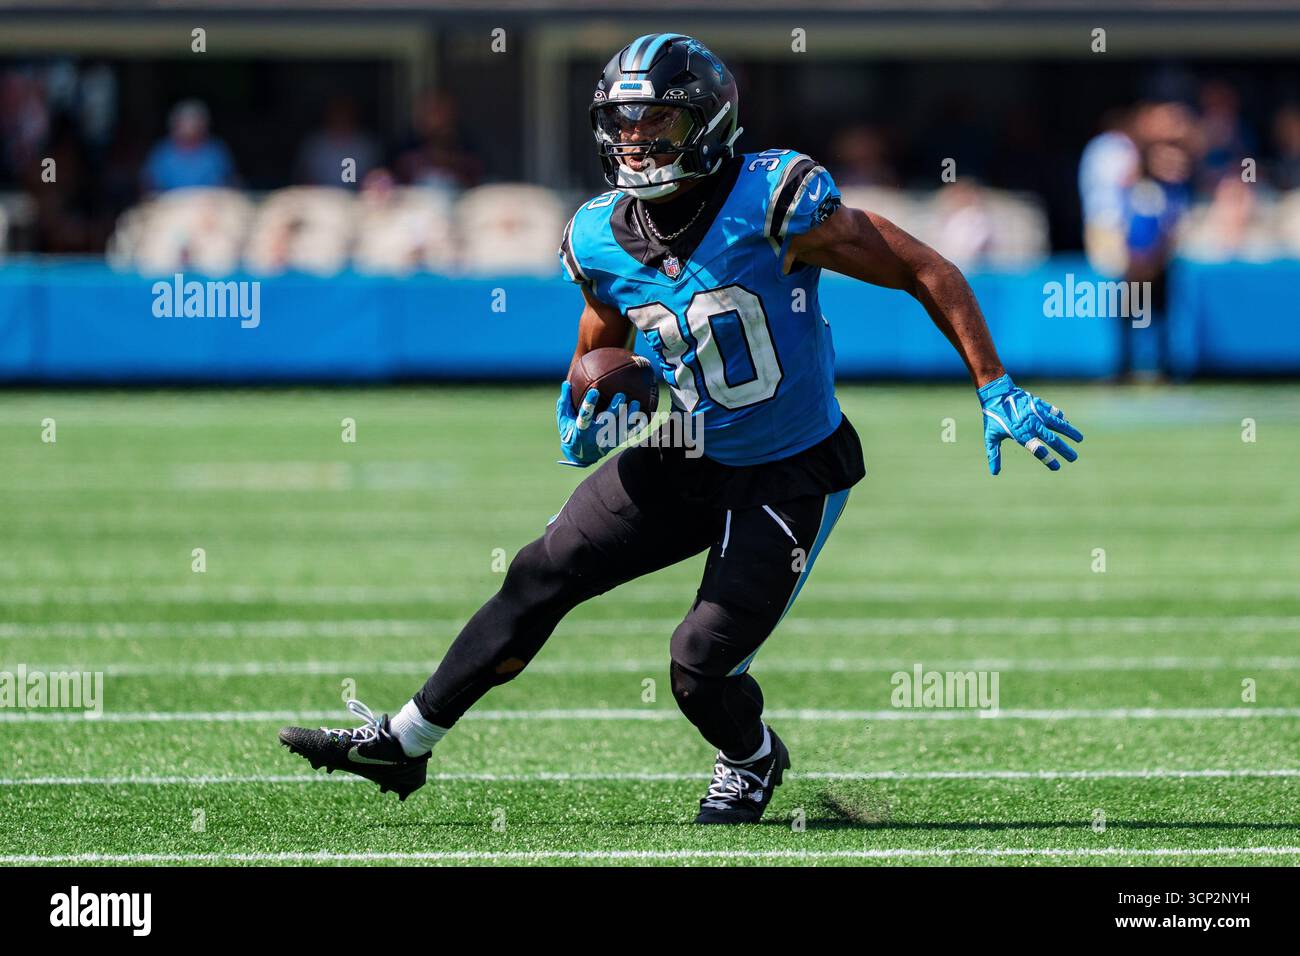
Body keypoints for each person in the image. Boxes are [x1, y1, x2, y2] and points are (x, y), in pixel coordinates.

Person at [279, 35, 1083, 825]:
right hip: (688, 445)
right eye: (622, 123)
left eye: (655, 121)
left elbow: (923, 268)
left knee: (698, 670)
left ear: (707, 121)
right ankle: (405, 741)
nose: (635, 140)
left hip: (789, 465)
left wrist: (994, 382)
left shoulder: (775, 199)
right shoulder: (598, 232)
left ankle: (752, 758)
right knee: (539, 574)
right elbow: (601, 336)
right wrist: (581, 411)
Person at [140, 99, 236, 193]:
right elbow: (149, 184)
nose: (190, 128)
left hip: (209, 205)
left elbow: (228, 181)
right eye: (185, 123)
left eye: (196, 123)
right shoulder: (162, 152)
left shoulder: (215, 150)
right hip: (170, 205)